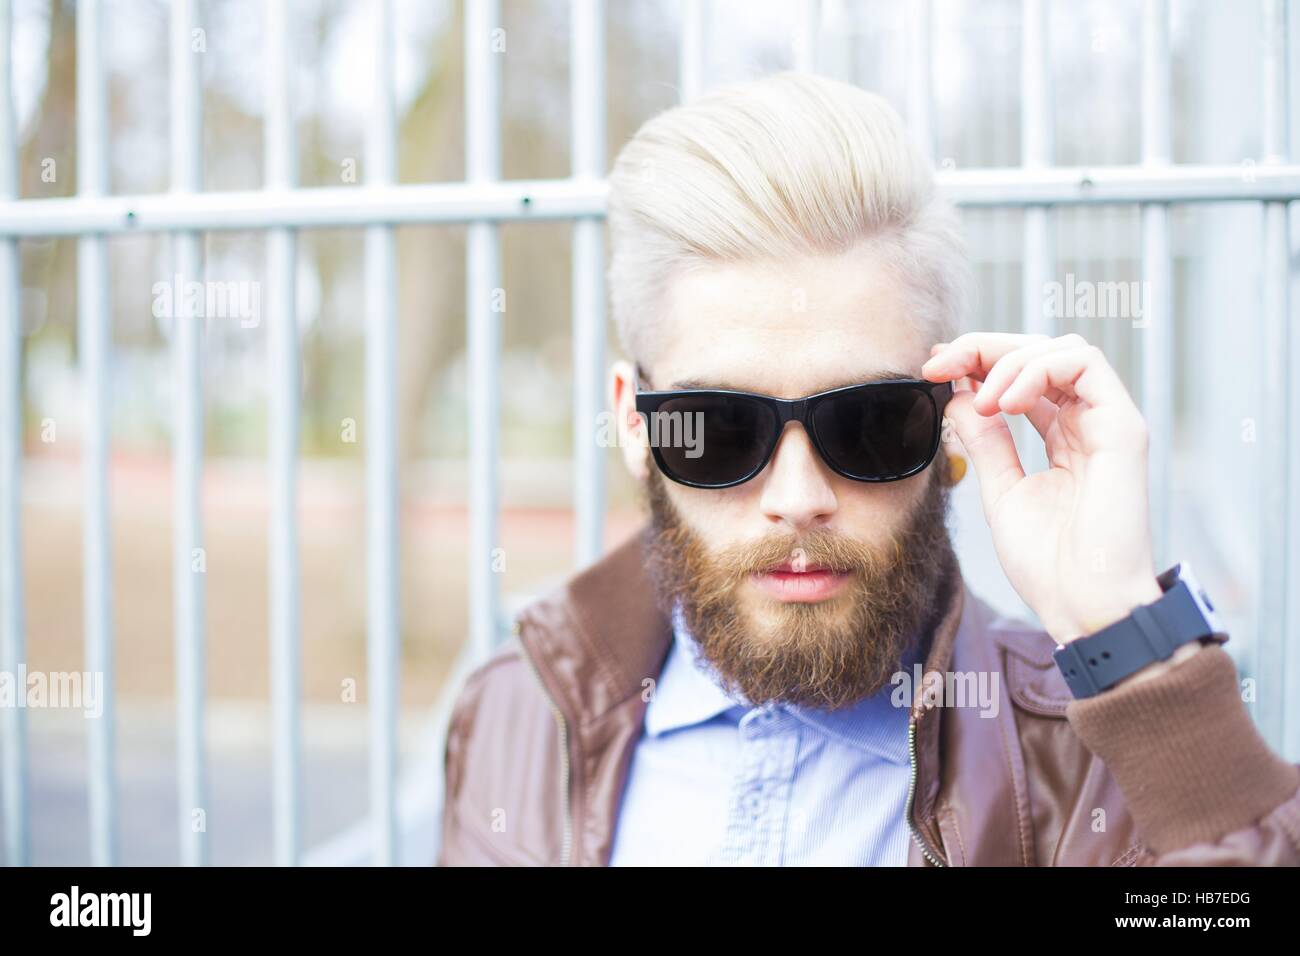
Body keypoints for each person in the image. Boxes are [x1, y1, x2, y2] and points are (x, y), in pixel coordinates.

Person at [436, 72, 1299, 866]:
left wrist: (1123, 634)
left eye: (868, 425)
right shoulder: (517, 714)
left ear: (954, 420)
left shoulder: (1091, 758)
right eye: (721, 428)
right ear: (633, 419)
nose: (799, 499)